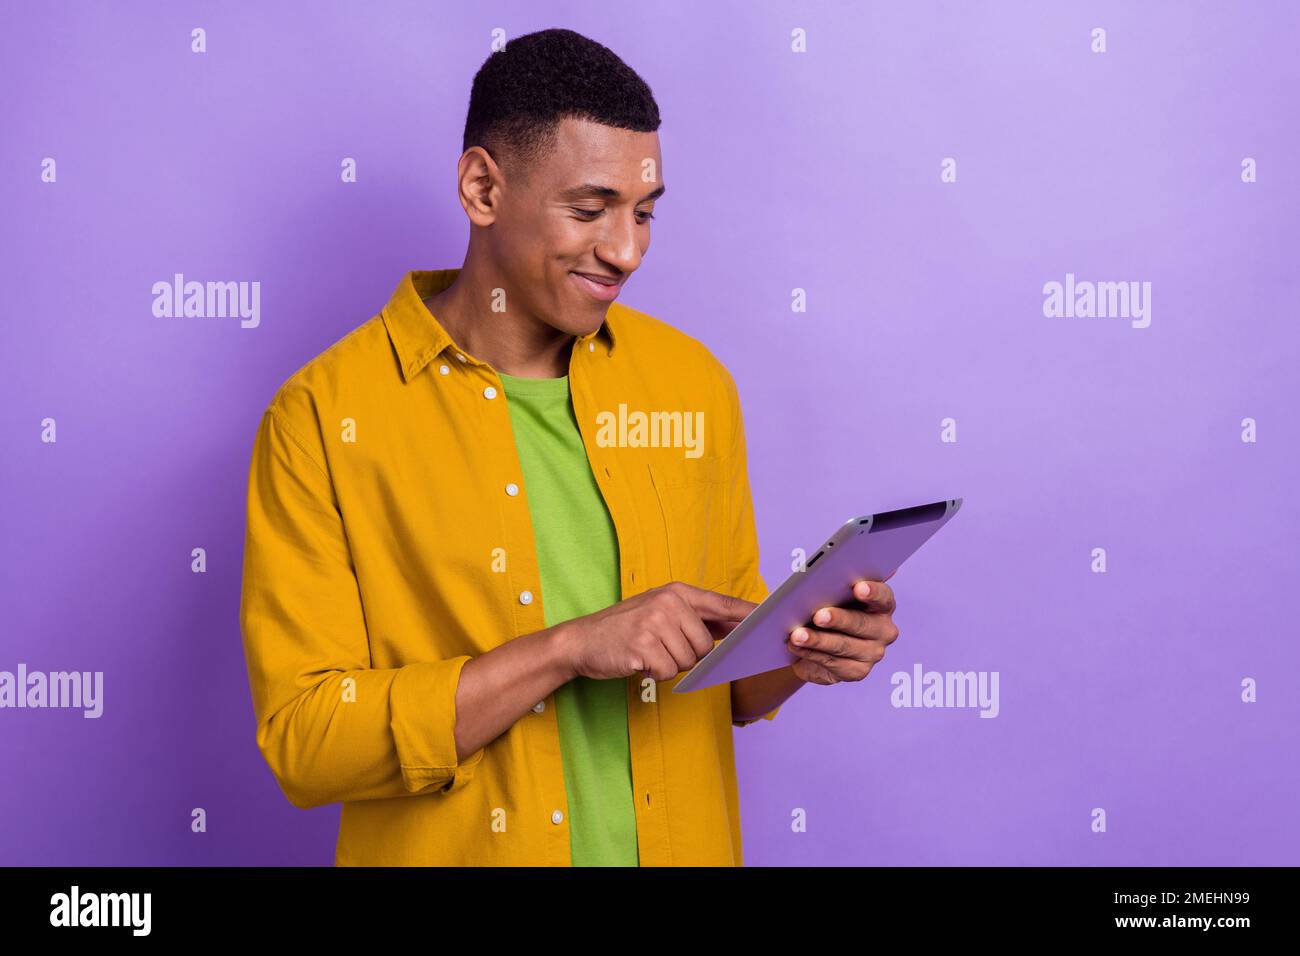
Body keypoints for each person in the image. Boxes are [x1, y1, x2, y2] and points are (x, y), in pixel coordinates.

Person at [238, 27, 899, 867]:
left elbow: (725, 682)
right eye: (588, 210)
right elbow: (308, 742)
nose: (626, 250)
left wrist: (808, 648)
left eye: (645, 212)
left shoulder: (692, 384)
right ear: (482, 187)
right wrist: (567, 648)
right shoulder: (322, 417)